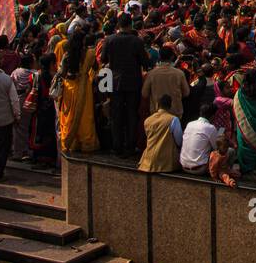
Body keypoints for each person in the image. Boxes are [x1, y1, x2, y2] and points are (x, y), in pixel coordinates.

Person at [100, 13, 150, 157]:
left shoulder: (109, 40)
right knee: (131, 115)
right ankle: (130, 145)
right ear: (130, 25)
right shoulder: (137, 41)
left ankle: (116, 146)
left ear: (118, 25)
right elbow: (145, 63)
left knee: (116, 115)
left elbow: (103, 59)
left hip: (114, 83)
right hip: (133, 83)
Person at [56, 29, 99, 155]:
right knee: (85, 116)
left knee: (69, 116)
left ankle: (71, 143)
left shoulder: (67, 54)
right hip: (84, 87)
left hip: (69, 87)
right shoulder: (90, 53)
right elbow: (96, 67)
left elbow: (62, 73)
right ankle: (86, 142)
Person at [141, 45, 189, 120]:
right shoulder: (179, 73)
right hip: (175, 113)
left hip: (156, 114)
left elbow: (145, 94)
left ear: (159, 57)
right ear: (172, 57)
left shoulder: (151, 74)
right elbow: (186, 93)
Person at [138, 95, 182, 173]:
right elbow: (179, 141)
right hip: (165, 163)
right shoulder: (173, 119)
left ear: (157, 105)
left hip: (147, 161)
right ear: (170, 106)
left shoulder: (148, 120)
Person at [180, 101, 219, 175]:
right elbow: (217, 148)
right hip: (200, 169)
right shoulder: (211, 128)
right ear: (213, 116)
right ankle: (222, 174)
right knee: (229, 151)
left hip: (184, 167)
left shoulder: (189, 124)